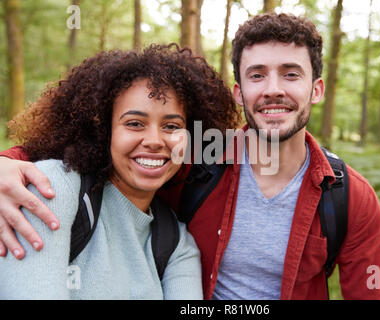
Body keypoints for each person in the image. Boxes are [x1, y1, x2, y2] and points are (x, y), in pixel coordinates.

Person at [0, 13, 380, 300]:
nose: (273, 89)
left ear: (316, 89)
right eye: (257, 75)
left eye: (291, 74)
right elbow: (74, 150)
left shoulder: (348, 198)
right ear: (239, 92)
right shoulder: (196, 161)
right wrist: (6, 162)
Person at [0, 43, 240, 299]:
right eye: (135, 123)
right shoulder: (54, 187)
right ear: (104, 131)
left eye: (171, 126)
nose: (155, 140)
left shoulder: (178, 245)